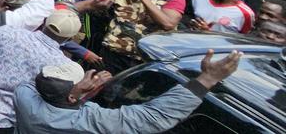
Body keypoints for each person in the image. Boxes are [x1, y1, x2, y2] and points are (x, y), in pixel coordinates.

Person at [13, 50, 244, 133]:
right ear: (72, 96)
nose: (87, 76)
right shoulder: (89, 120)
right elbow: (154, 117)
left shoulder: (23, 96)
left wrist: (82, 93)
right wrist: (207, 78)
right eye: (81, 79)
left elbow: (47, 94)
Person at [0, 9, 83, 134]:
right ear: (70, 38)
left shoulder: (10, 32)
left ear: (44, 21)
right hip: (5, 121)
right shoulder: (62, 65)